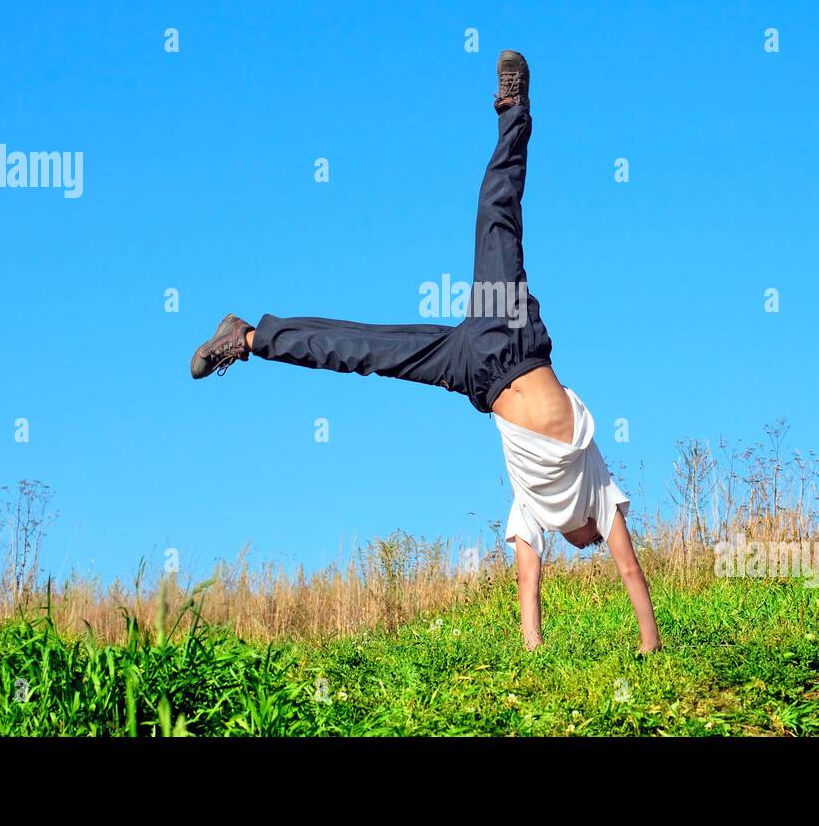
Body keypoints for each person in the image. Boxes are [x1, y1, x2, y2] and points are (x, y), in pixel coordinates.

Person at [189, 51, 661, 654]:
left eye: (588, 547)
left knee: (363, 350)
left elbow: (528, 587)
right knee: (497, 216)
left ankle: (247, 338)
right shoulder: (601, 490)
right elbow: (629, 572)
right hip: (510, 335)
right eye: (594, 542)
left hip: (476, 374)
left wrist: (533, 651)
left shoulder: (531, 515)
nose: (590, 546)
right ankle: (515, 109)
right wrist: (649, 647)